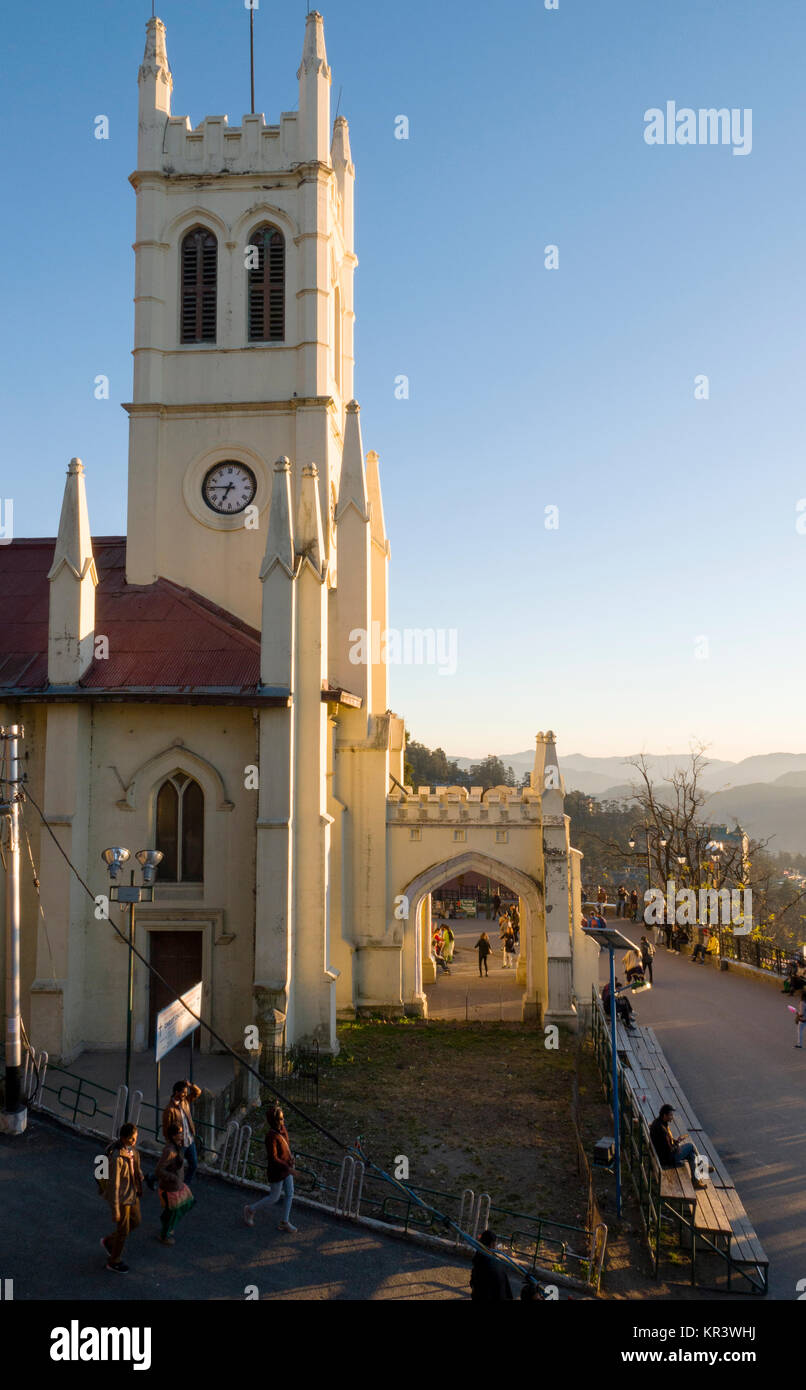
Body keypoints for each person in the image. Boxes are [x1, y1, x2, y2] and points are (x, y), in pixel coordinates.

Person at [243, 1104, 297, 1233]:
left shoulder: (282, 1129)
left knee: (290, 1193)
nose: (282, 1121)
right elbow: (273, 1158)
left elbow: (286, 1146)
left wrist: (290, 1160)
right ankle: (250, 1209)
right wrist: (288, 1167)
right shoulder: (270, 1136)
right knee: (274, 1197)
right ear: (273, 1121)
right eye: (280, 1119)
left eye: (282, 1118)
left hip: (286, 1168)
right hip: (277, 1171)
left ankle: (285, 1221)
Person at [99, 1122, 144, 1274]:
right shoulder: (117, 1157)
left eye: (135, 1138)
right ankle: (114, 1260)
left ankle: (111, 1241)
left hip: (132, 1192)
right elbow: (114, 1186)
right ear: (124, 1138)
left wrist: (139, 1175)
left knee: (136, 1221)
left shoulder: (131, 1150)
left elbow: (134, 1165)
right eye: (132, 1139)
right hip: (123, 1198)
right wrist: (115, 1209)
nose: (134, 1141)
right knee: (123, 1231)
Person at [649, 1104, 708, 1189]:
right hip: (667, 1159)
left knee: (691, 1155)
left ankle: (696, 1178)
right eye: (670, 1115)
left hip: (662, 1156)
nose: (672, 1117)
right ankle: (701, 1167)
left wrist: (675, 1141)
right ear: (664, 1115)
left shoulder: (658, 1122)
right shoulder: (662, 1129)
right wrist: (677, 1147)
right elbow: (668, 1150)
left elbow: (665, 1143)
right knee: (691, 1146)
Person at [155, 1123, 195, 1246]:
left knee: (187, 1203)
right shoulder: (169, 1151)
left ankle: (166, 1223)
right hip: (170, 1188)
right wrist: (172, 1177)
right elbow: (159, 1170)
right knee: (173, 1212)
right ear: (174, 1136)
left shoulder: (177, 1147)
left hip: (177, 1185)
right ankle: (164, 1235)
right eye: (180, 1133)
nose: (182, 1135)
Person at [163, 1078, 202, 1187]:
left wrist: (191, 1085)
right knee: (173, 1167)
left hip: (189, 1140)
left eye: (186, 1092)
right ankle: (153, 1177)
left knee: (193, 1165)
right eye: (183, 1092)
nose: (185, 1094)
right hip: (179, 1143)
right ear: (177, 1092)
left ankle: (185, 1186)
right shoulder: (169, 1110)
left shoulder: (185, 1101)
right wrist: (172, 1143)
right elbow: (166, 1130)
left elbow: (198, 1092)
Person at [469, 1229, 513, 1301]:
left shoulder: (479, 1259)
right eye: (495, 1243)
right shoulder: (497, 1263)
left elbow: (474, 1283)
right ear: (492, 1244)